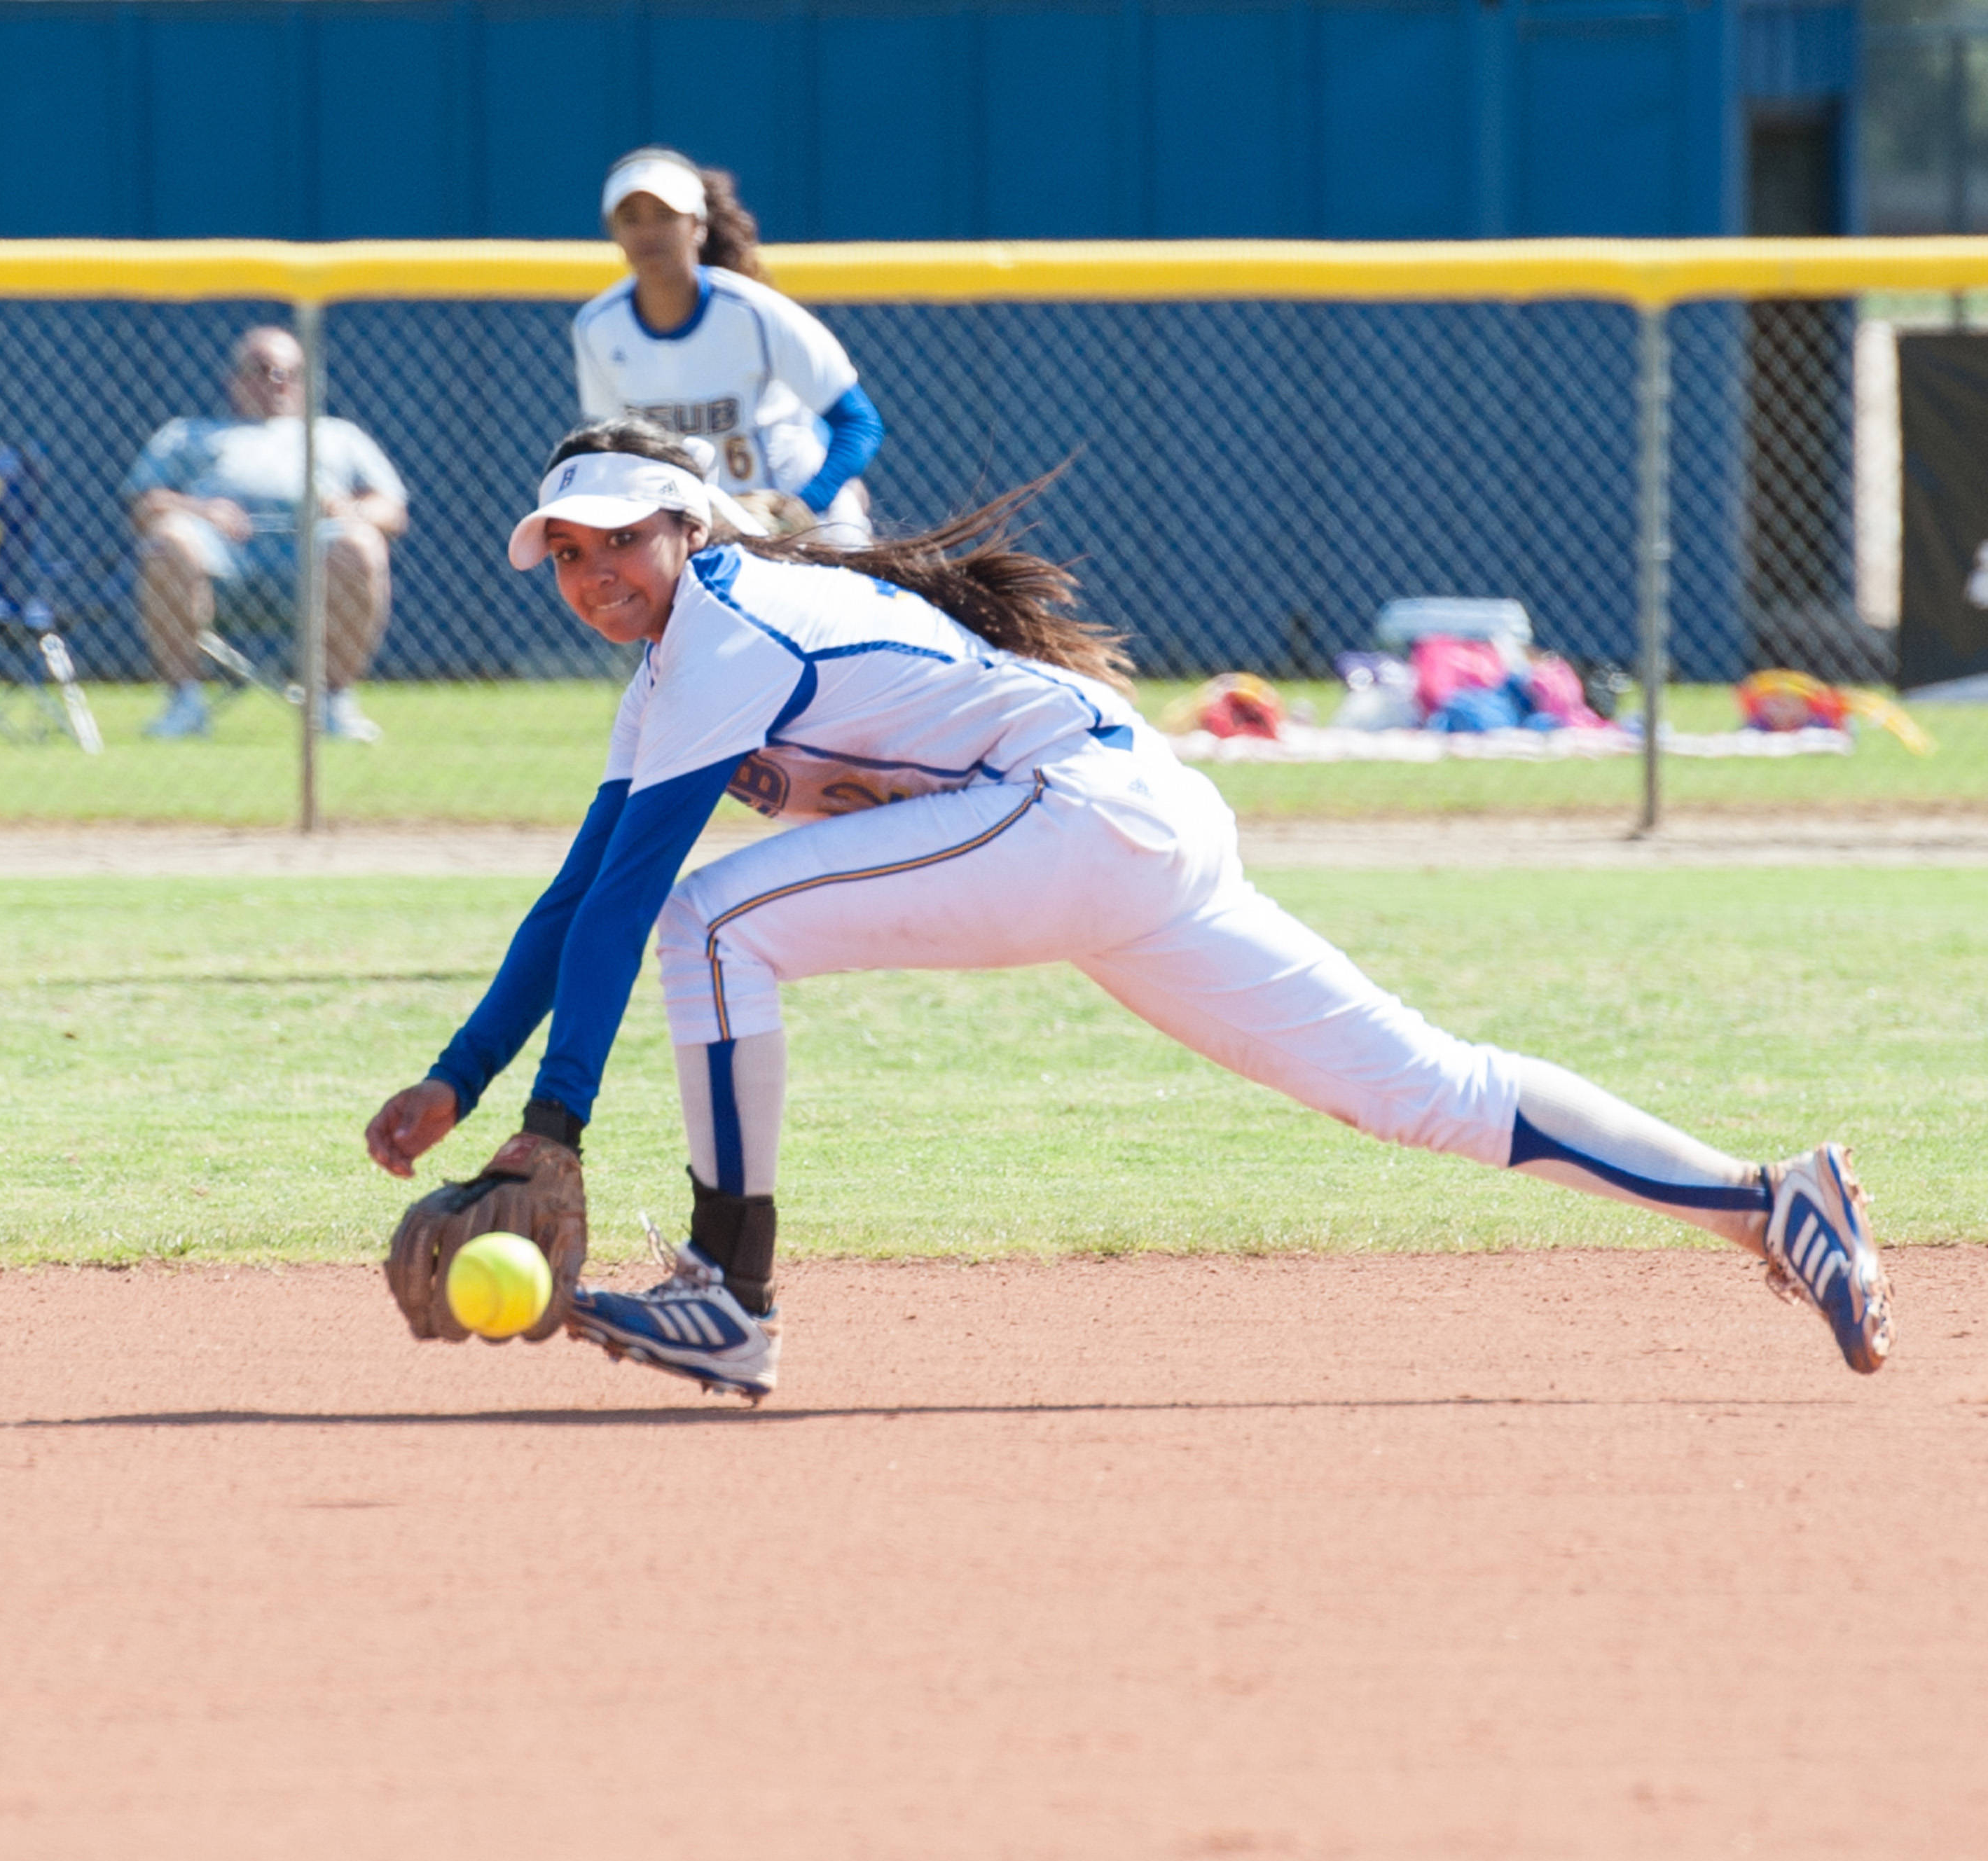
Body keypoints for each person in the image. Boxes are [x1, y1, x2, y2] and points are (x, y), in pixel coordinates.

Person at [362, 419, 1891, 1402]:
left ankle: (727, 1293)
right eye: (565, 554)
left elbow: (637, 908)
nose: (592, 571)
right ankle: (1774, 1201)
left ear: (687, 529)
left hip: (1079, 819)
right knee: (1421, 1088)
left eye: (619, 536)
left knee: (711, 922)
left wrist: (552, 1127)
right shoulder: (677, 673)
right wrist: (463, 1075)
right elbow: (573, 896)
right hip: (1114, 826)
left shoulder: (730, 629)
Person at [574, 146, 885, 548]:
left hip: (796, 520)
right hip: (698, 529)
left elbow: (859, 421)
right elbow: (613, 453)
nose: (648, 232)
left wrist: (806, 503)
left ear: (698, 226)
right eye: (630, 219)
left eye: (666, 216)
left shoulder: (753, 312)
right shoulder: (598, 326)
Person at [123, 325, 410, 742]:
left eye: (288, 372)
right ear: (234, 381)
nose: (276, 382)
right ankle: (185, 704)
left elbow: (392, 510)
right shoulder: (189, 434)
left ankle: (333, 704)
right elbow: (145, 505)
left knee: (360, 543)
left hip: (314, 565)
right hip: (222, 563)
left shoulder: (338, 436)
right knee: (169, 539)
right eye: (261, 370)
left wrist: (348, 510)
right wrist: (203, 511)